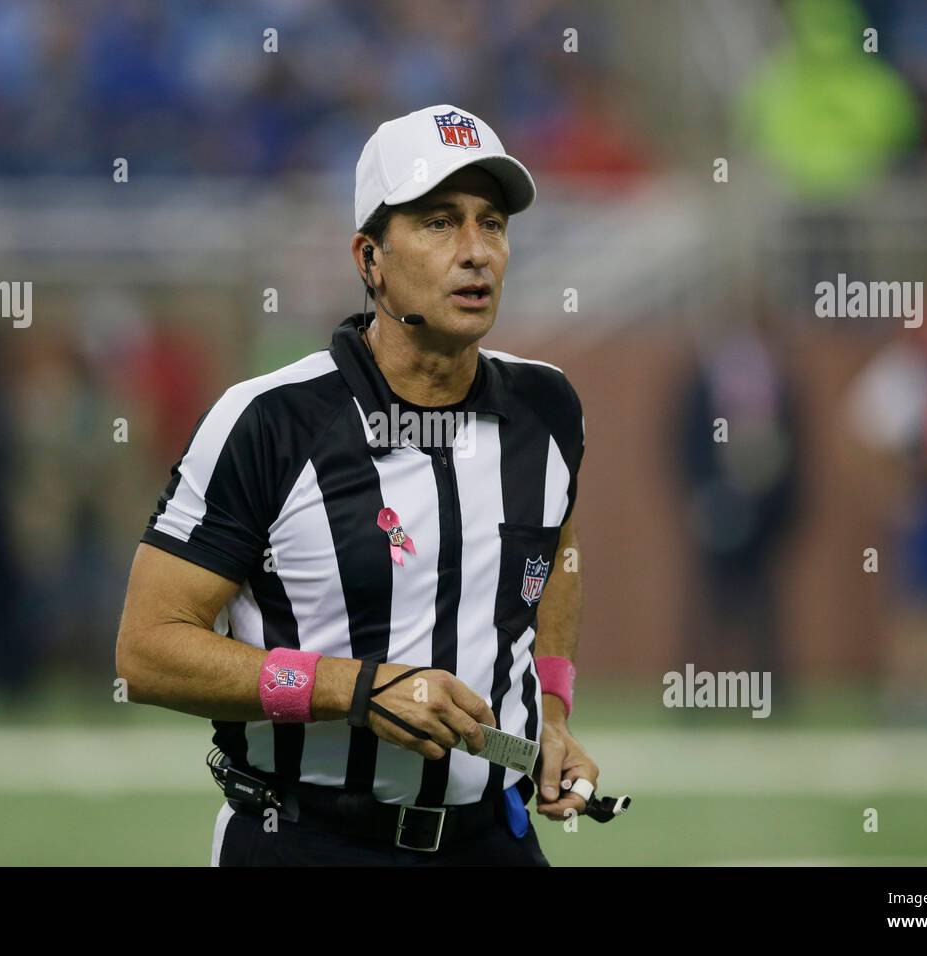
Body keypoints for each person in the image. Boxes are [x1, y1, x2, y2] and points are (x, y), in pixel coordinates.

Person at [116, 105, 597, 865]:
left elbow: (555, 553)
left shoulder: (547, 407)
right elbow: (148, 652)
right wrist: (353, 688)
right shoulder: (270, 421)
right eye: (440, 223)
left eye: (492, 223)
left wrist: (555, 711)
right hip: (308, 838)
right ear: (369, 257)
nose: (477, 252)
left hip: (492, 843)